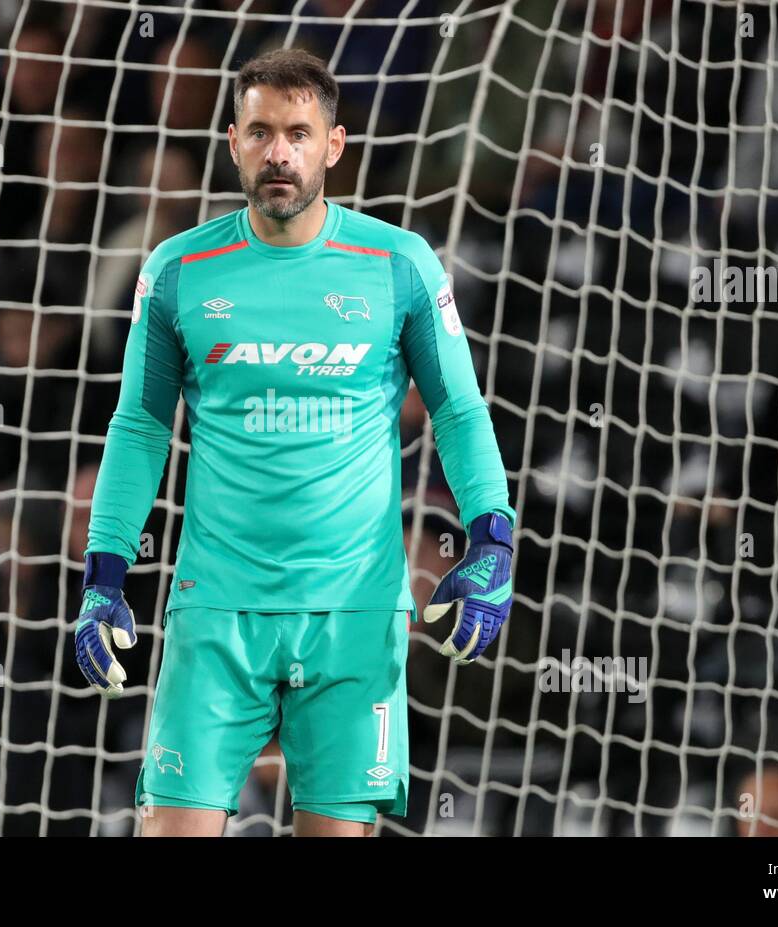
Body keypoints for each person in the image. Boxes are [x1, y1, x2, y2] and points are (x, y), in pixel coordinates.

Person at [73, 48, 516, 837]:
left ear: (333, 145)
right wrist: (105, 572)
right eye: (261, 132)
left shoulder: (399, 265)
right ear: (234, 142)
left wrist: (494, 538)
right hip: (217, 614)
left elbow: (457, 410)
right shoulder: (179, 270)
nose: (280, 152)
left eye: (299, 133)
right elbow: (140, 425)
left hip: (354, 615)